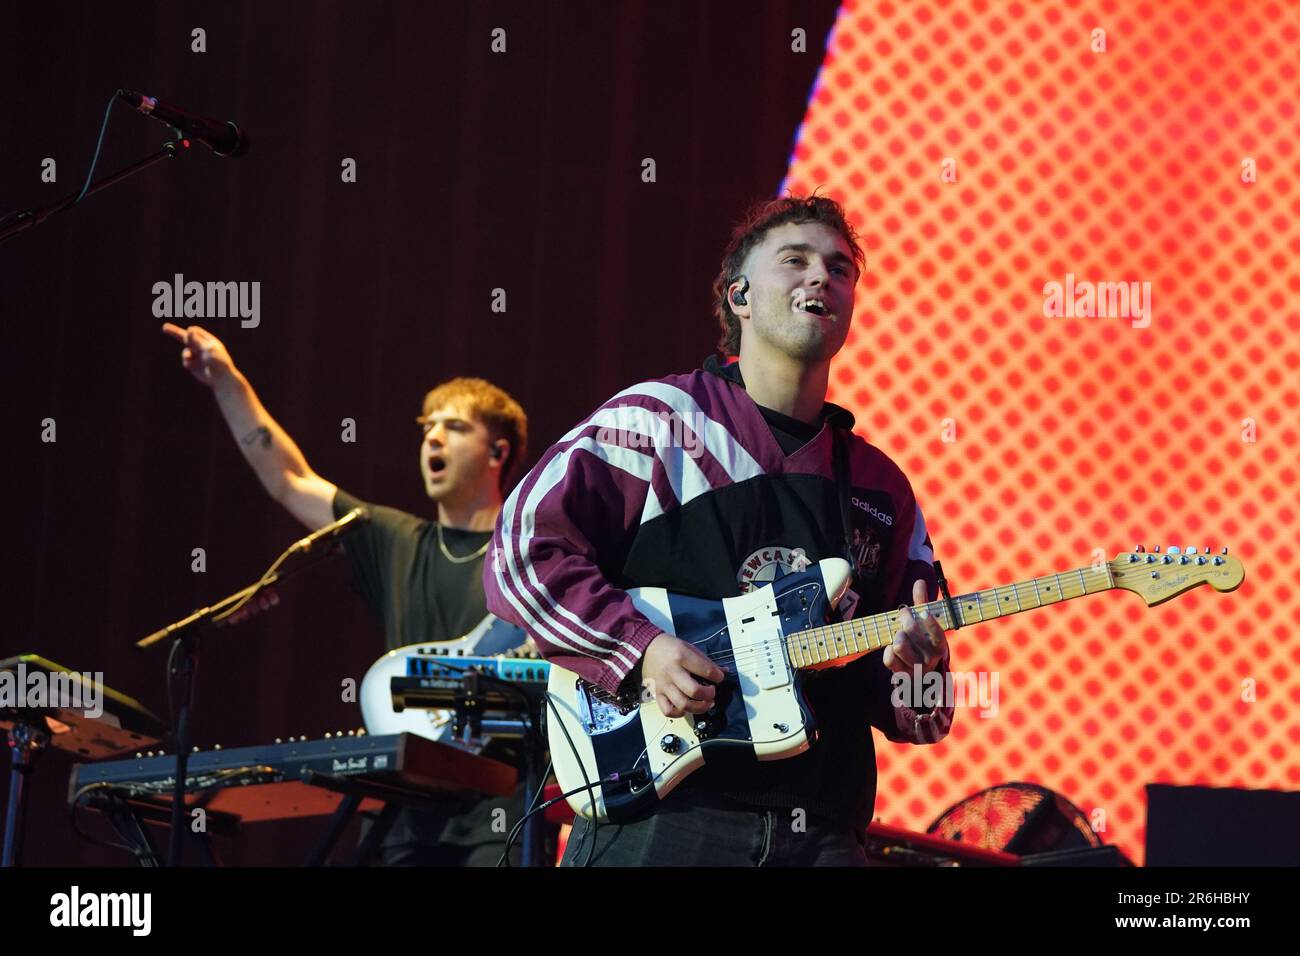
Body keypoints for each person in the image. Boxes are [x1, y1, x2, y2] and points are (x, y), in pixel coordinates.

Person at [485, 194, 954, 866]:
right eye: (795, 261)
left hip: (823, 833)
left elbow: (926, 717)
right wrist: (641, 649)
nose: (822, 277)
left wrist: (923, 672)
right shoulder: (654, 422)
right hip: (661, 819)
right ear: (740, 297)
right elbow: (520, 552)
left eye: (841, 268)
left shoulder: (882, 488)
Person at [162, 322, 530, 865]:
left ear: (497, 451)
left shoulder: (533, 553)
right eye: (427, 427)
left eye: (452, 427)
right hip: (400, 813)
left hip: (497, 816)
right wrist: (228, 383)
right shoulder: (395, 538)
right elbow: (289, 478)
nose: (431, 436)